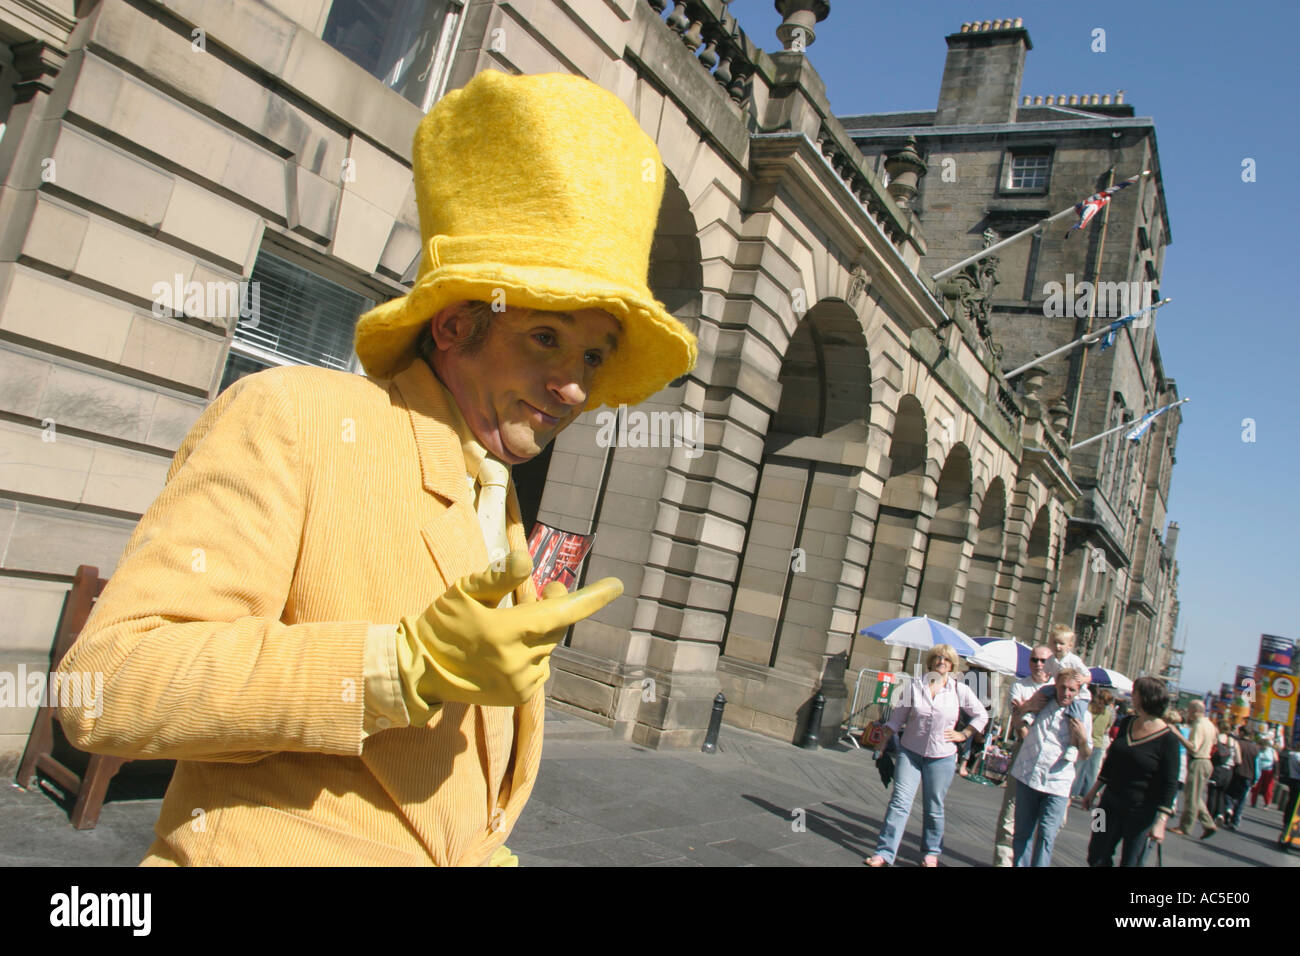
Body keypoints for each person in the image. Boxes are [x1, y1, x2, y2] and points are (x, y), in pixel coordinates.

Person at [53, 71, 697, 866]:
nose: (573, 386)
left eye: (594, 355)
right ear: (456, 326)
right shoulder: (293, 414)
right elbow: (107, 684)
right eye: (546, 339)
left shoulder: (495, 502)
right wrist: (396, 665)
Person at [864, 645, 988, 867]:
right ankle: (884, 852)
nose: (942, 661)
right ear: (930, 662)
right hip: (911, 752)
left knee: (934, 805)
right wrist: (881, 744)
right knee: (899, 802)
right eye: (937, 658)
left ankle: (931, 852)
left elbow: (981, 715)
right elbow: (896, 719)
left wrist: (964, 734)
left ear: (952, 665)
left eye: (947, 659)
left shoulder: (959, 690)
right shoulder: (914, 686)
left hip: (942, 756)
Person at [1082, 676, 1179, 866]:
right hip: (1108, 803)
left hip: (1141, 811)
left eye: (1134, 692)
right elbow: (1111, 762)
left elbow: (1170, 783)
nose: (1131, 695)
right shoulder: (1127, 722)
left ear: (1145, 698)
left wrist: (1161, 822)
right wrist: (1093, 790)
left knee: (1131, 861)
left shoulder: (1168, 739)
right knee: (1095, 853)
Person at [1009, 666, 1092, 867]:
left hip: (1057, 783)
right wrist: (1026, 707)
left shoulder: (1083, 717)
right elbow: (1018, 723)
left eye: (1072, 690)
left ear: (1078, 691)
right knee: (1022, 832)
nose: (1066, 693)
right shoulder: (1042, 702)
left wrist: (1081, 738)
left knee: (1046, 834)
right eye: (1063, 688)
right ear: (1055, 686)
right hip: (1028, 774)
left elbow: (1086, 754)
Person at [991, 644, 1054, 866]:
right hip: (1024, 751)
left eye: (1043, 660)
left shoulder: (1058, 687)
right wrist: (1029, 706)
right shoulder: (1020, 686)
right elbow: (1018, 724)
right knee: (1011, 810)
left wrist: (1025, 709)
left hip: (1051, 759)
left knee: (1045, 821)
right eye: (1034, 660)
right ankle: (1003, 862)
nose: (1038, 664)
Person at [1020, 625, 1093, 762]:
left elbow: (1089, 676)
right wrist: (1044, 678)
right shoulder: (1052, 660)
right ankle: (1032, 714)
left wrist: (1083, 679)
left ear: (1069, 646)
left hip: (1079, 696)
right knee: (1042, 691)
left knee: (1074, 717)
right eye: (1055, 643)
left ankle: (1072, 745)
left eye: (1061, 644)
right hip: (1057, 687)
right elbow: (1047, 673)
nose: (1058, 646)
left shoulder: (1074, 660)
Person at [1168, 700, 1218, 839]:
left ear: (1196, 711)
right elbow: (1214, 742)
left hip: (1198, 760)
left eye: (1189, 710)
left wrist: (1177, 734)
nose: (1187, 713)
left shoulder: (1198, 725)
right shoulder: (1210, 725)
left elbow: (1193, 746)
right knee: (1194, 794)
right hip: (1206, 760)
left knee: (1191, 796)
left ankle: (1185, 826)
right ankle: (1208, 823)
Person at [1072, 688, 1115, 804]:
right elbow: (1108, 727)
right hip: (1098, 743)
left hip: (1086, 742)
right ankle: (1087, 794)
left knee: (1079, 769)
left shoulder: (1090, 709)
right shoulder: (1108, 713)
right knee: (1092, 772)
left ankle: (1073, 792)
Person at [1204, 720, 1239, 826]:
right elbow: (1238, 760)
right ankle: (1220, 814)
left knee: (1212, 793)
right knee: (1222, 793)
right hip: (1228, 771)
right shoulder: (1233, 742)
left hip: (1217, 769)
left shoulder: (1217, 739)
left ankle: (1209, 815)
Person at [1224, 728, 1258, 830]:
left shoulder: (1238, 743)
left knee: (1229, 792)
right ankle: (1235, 821)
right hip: (1248, 776)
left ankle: (1228, 808)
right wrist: (1255, 779)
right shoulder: (1255, 748)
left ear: (1243, 733)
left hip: (1236, 772)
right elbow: (1257, 766)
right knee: (1242, 799)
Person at [1252, 739, 1277, 807]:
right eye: (1262, 746)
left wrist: (1276, 773)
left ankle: (1267, 803)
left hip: (1269, 771)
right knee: (1256, 787)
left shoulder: (1272, 751)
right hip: (1259, 770)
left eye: (1265, 746)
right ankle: (1253, 802)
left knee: (1268, 788)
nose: (1263, 748)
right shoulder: (1258, 750)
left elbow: (1276, 761)